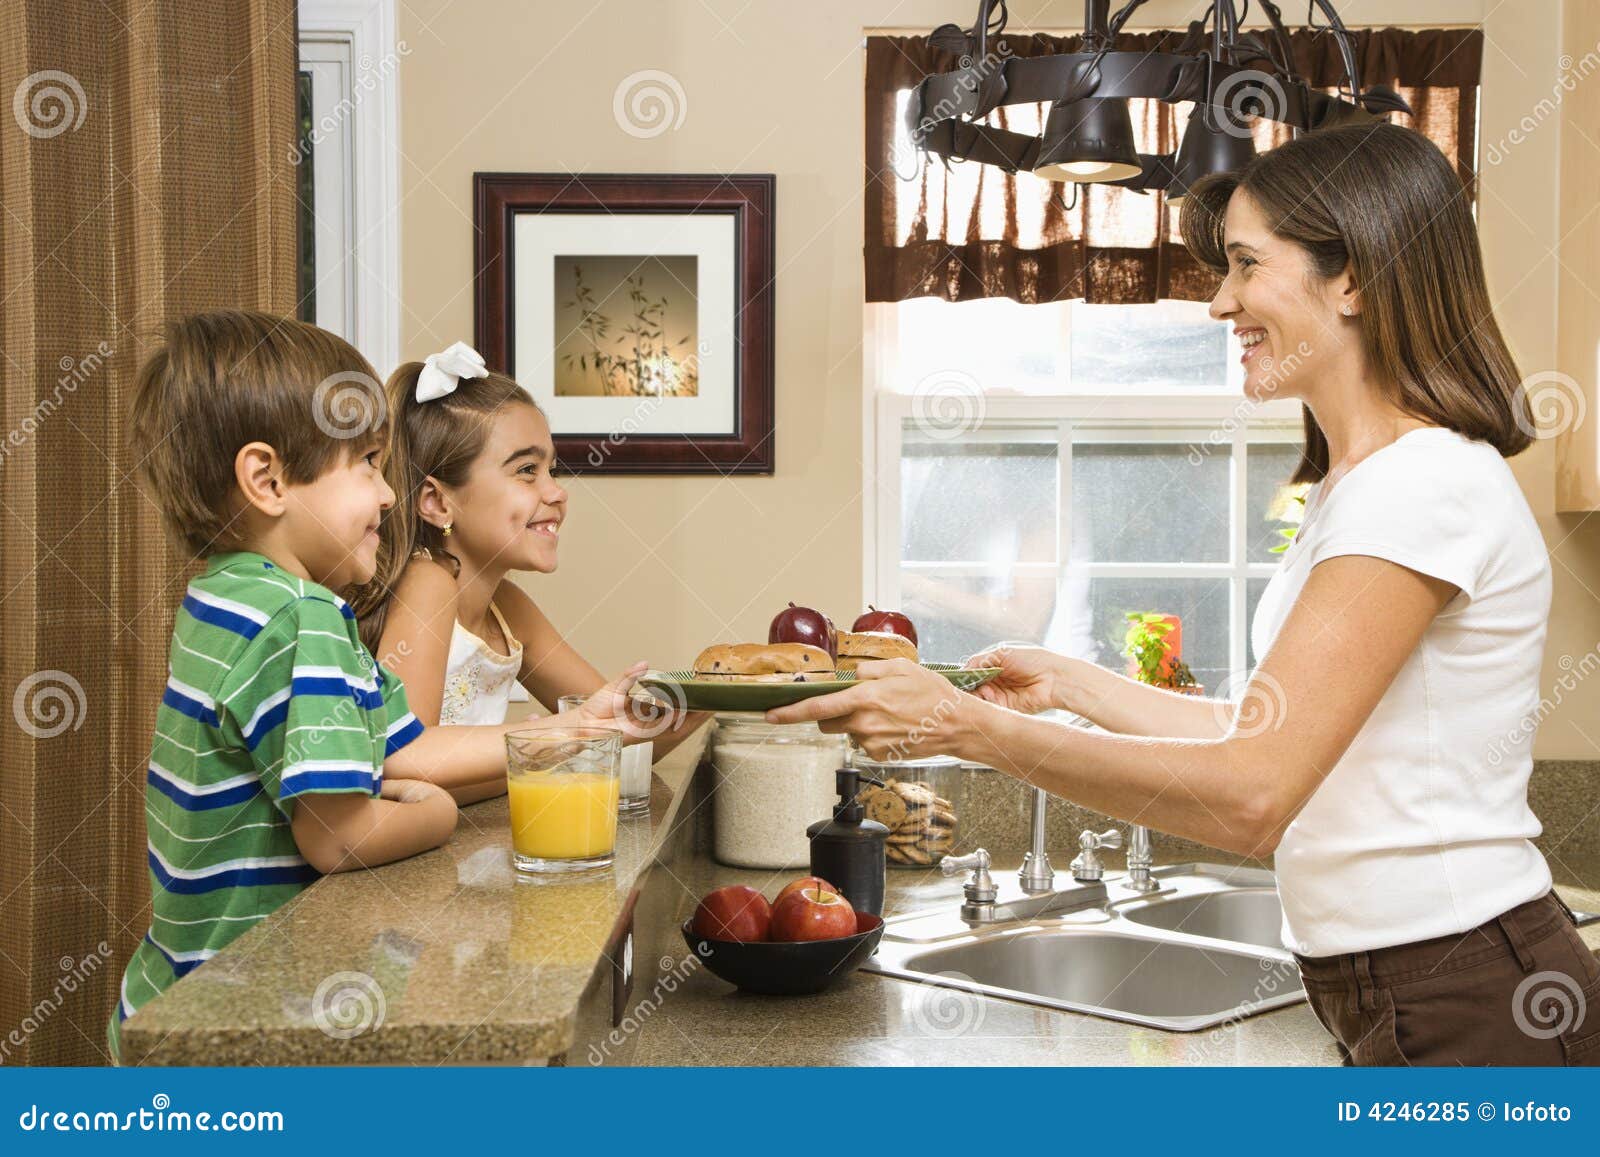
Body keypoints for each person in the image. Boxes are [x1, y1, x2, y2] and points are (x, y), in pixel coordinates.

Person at [769, 124, 1600, 1066]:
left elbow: (1253, 796)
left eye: (1245, 265)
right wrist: (1071, 685)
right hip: (1418, 984)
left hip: (1470, 995)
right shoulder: (1364, 487)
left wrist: (971, 728)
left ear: (1355, 279)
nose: (1219, 303)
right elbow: (1262, 732)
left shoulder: (1422, 486)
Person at [111, 312, 640, 1061]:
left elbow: (399, 743)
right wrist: (435, 811)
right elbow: (339, 835)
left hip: (173, 987)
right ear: (267, 481)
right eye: (364, 464)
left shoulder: (218, 599)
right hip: (263, 1010)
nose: (386, 495)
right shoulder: (305, 620)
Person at [351, 342, 706, 766]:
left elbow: (628, 736)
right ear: (438, 502)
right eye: (526, 471)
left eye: (551, 469)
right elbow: (402, 760)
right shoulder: (426, 585)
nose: (556, 491)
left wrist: (727, 691)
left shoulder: (508, 610)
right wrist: (548, 744)